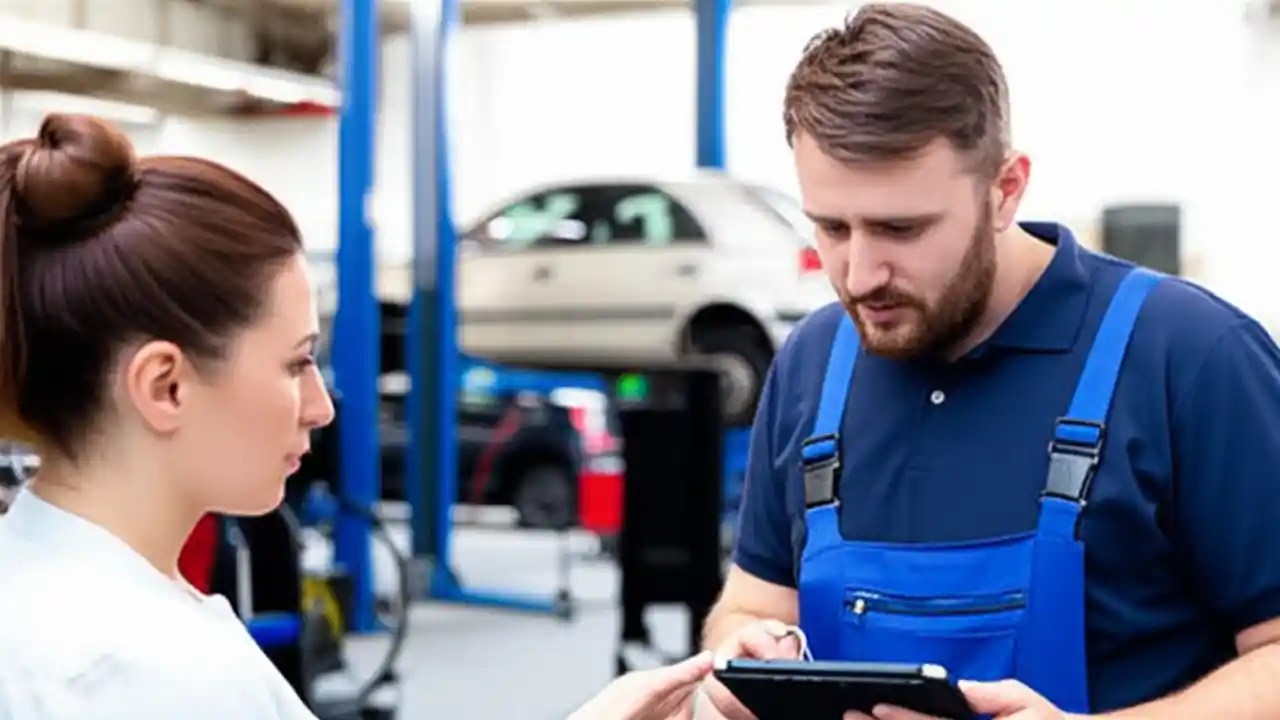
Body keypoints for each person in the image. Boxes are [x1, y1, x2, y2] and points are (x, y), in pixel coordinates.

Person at [0, 113, 711, 720]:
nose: (320, 405)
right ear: (166, 386)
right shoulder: (155, 671)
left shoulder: (52, 591)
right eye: (296, 363)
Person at [695, 4, 1280, 720]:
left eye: (900, 228)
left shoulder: (1190, 358)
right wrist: (747, 655)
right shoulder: (811, 366)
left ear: (1005, 189)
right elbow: (751, 603)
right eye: (832, 226)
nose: (859, 272)